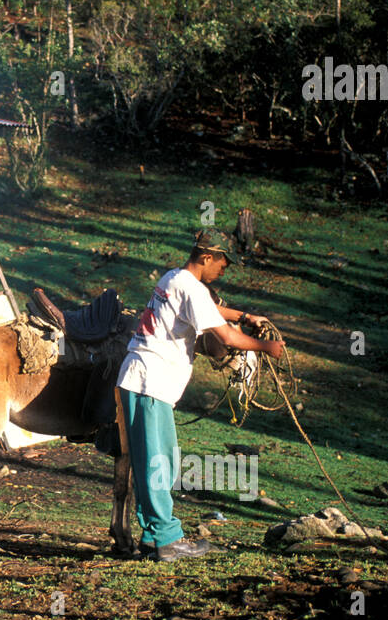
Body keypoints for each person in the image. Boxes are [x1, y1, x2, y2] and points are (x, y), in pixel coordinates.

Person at [116, 229, 285, 562]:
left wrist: (246, 316)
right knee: (157, 462)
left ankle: (157, 536)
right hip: (150, 381)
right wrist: (268, 347)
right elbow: (226, 337)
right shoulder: (190, 287)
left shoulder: (173, 278)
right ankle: (165, 540)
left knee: (161, 460)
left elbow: (210, 310)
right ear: (207, 257)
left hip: (144, 380)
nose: (224, 270)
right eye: (222, 263)